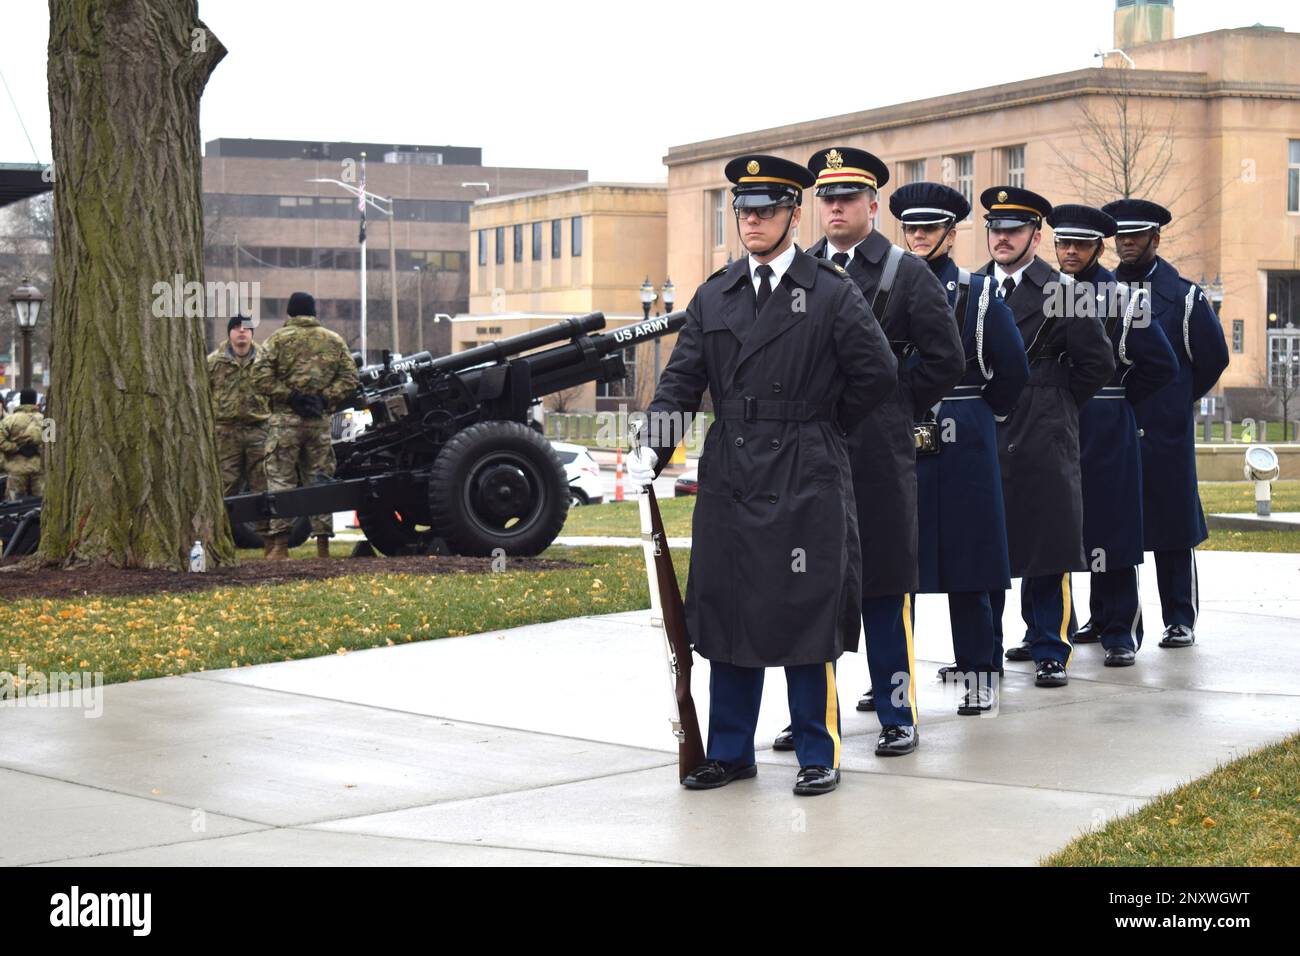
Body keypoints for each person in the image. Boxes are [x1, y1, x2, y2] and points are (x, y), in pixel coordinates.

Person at [629, 153, 897, 795]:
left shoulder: (831, 290)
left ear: (792, 215)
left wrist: (821, 424)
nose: (752, 220)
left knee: (807, 614)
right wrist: (651, 450)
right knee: (729, 612)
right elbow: (681, 383)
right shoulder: (715, 293)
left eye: (767, 209)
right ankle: (729, 750)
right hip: (732, 472)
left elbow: (878, 376)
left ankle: (816, 750)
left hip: (805, 468)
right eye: (743, 210)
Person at [768, 147, 962, 757]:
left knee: (885, 586)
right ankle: (810, 717)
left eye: (847, 197)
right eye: (825, 198)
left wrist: (893, 404)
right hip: (813, 451)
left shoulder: (907, 273)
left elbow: (946, 359)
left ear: (872, 204)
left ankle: (897, 712)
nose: (835, 207)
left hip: (878, 454)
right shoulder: (796, 270)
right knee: (808, 586)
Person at [890, 182, 1029, 713]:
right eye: (912, 228)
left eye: (930, 227)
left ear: (951, 232)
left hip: (964, 431)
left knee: (970, 561)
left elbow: (1011, 368)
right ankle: (891, 679)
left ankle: (978, 673)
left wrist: (981, 413)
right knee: (895, 565)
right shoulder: (885, 287)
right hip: (899, 429)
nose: (920, 236)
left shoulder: (978, 292)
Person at [977, 187, 1115, 687]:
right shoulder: (972, 289)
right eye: (996, 228)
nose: (1002, 238)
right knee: (985, 542)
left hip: (1044, 425)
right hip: (988, 424)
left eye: (1014, 230)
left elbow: (1097, 364)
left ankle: (1050, 646)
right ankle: (981, 648)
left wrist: (1054, 401)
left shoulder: (1066, 290)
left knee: (1049, 539)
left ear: (1036, 237)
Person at [1048, 204, 1178, 665]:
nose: (1069, 252)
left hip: (1107, 423)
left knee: (1113, 526)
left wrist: (1119, 398)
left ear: (1098, 248)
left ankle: (1121, 629)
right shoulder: (1046, 292)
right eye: (1063, 243)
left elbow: (1161, 365)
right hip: (1055, 422)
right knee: (1054, 527)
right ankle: (1062, 625)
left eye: (1080, 245)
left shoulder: (1124, 298)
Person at [1101, 199, 1230, 648]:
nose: (1127, 243)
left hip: (1165, 431)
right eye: (1121, 236)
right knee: (1111, 526)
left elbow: (1213, 360)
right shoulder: (1097, 291)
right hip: (1115, 427)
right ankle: (1108, 619)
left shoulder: (1185, 295)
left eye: (1137, 236)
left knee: (1172, 528)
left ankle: (1180, 617)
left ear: (1156, 238)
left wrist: (1176, 400)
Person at [250, 292, 359, 560]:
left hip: (285, 422)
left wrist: (290, 396)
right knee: (320, 480)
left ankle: (280, 546)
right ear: (313, 312)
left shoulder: (276, 340)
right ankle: (323, 545)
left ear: (289, 313)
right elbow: (350, 377)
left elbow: (259, 376)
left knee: (280, 480)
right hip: (319, 423)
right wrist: (323, 398)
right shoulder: (333, 341)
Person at [207, 315, 272, 552]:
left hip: (259, 431)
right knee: (225, 488)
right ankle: (222, 540)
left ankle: (269, 542)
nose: (242, 332)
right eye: (236, 328)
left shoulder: (266, 361)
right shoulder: (214, 363)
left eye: (246, 328)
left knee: (262, 488)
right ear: (229, 333)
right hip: (226, 433)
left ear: (252, 333)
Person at [0, 389, 45, 502]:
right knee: (40, 505)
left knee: (14, 507)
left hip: (16, 470)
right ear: (36, 402)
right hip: (39, 469)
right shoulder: (47, 421)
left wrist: (16, 448)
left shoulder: (8, 420)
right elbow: (53, 446)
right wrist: (38, 449)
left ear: (20, 401)